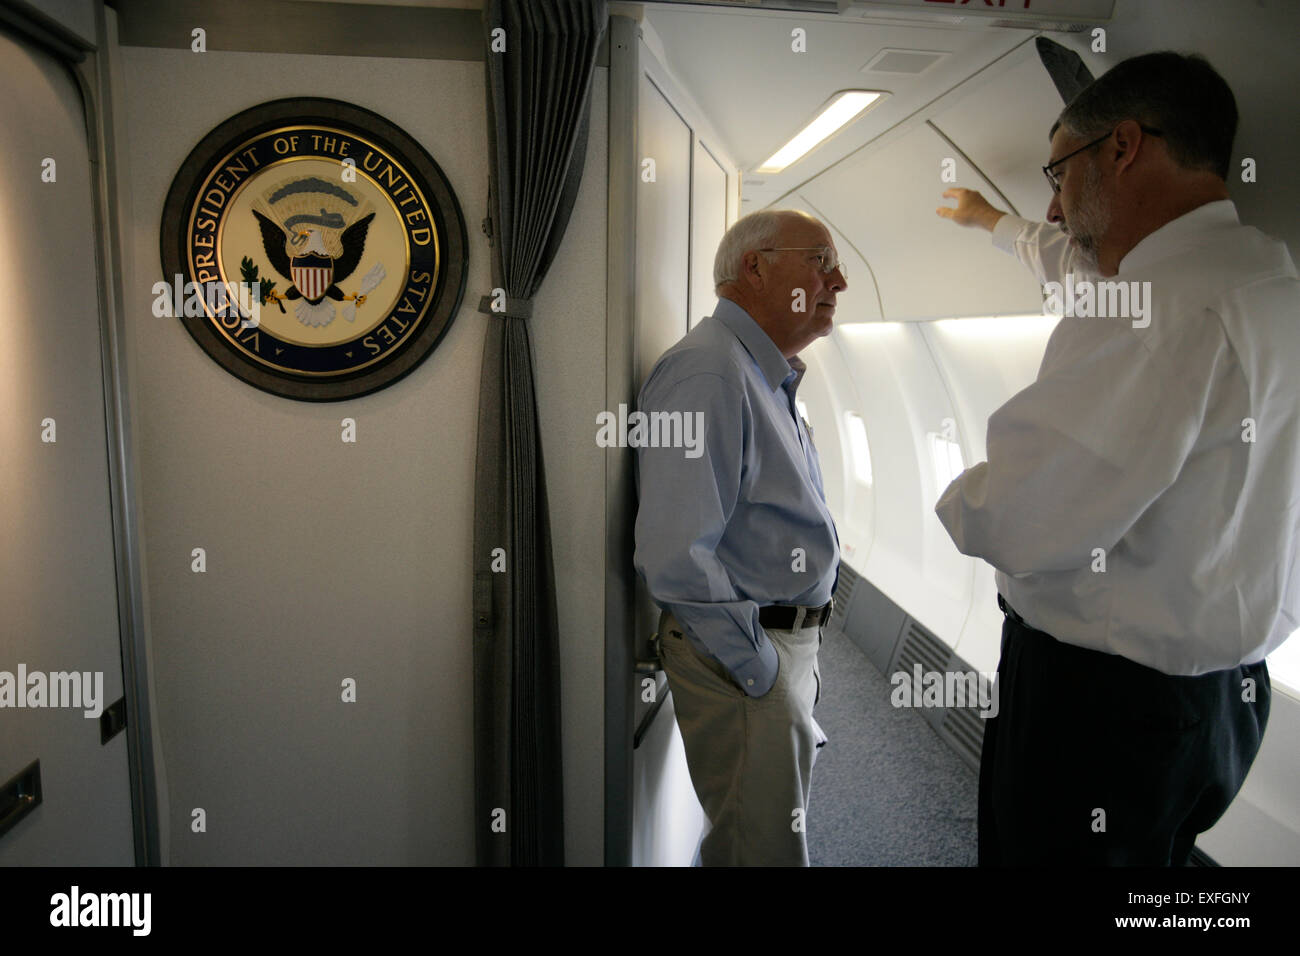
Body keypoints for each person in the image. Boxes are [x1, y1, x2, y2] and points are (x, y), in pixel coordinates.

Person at [934, 51, 1300, 865]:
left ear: (1123, 147)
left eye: (1060, 172)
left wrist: (956, 494)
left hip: (1102, 707)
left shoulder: (1151, 311)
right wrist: (989, 222)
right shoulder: (1270, 278)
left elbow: (1020, 520)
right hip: (1227, 702)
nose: (1053, 203)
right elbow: (1063, 255)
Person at [634, 209, 845, 866]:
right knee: (762, 852)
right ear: (755, 267)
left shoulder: (760, 372)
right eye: (820, 261)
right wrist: (760, 671)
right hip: (750, 653)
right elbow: (676, 554)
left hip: (779, 645)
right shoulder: (709, 373)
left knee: (760, 841)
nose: (839, 281)